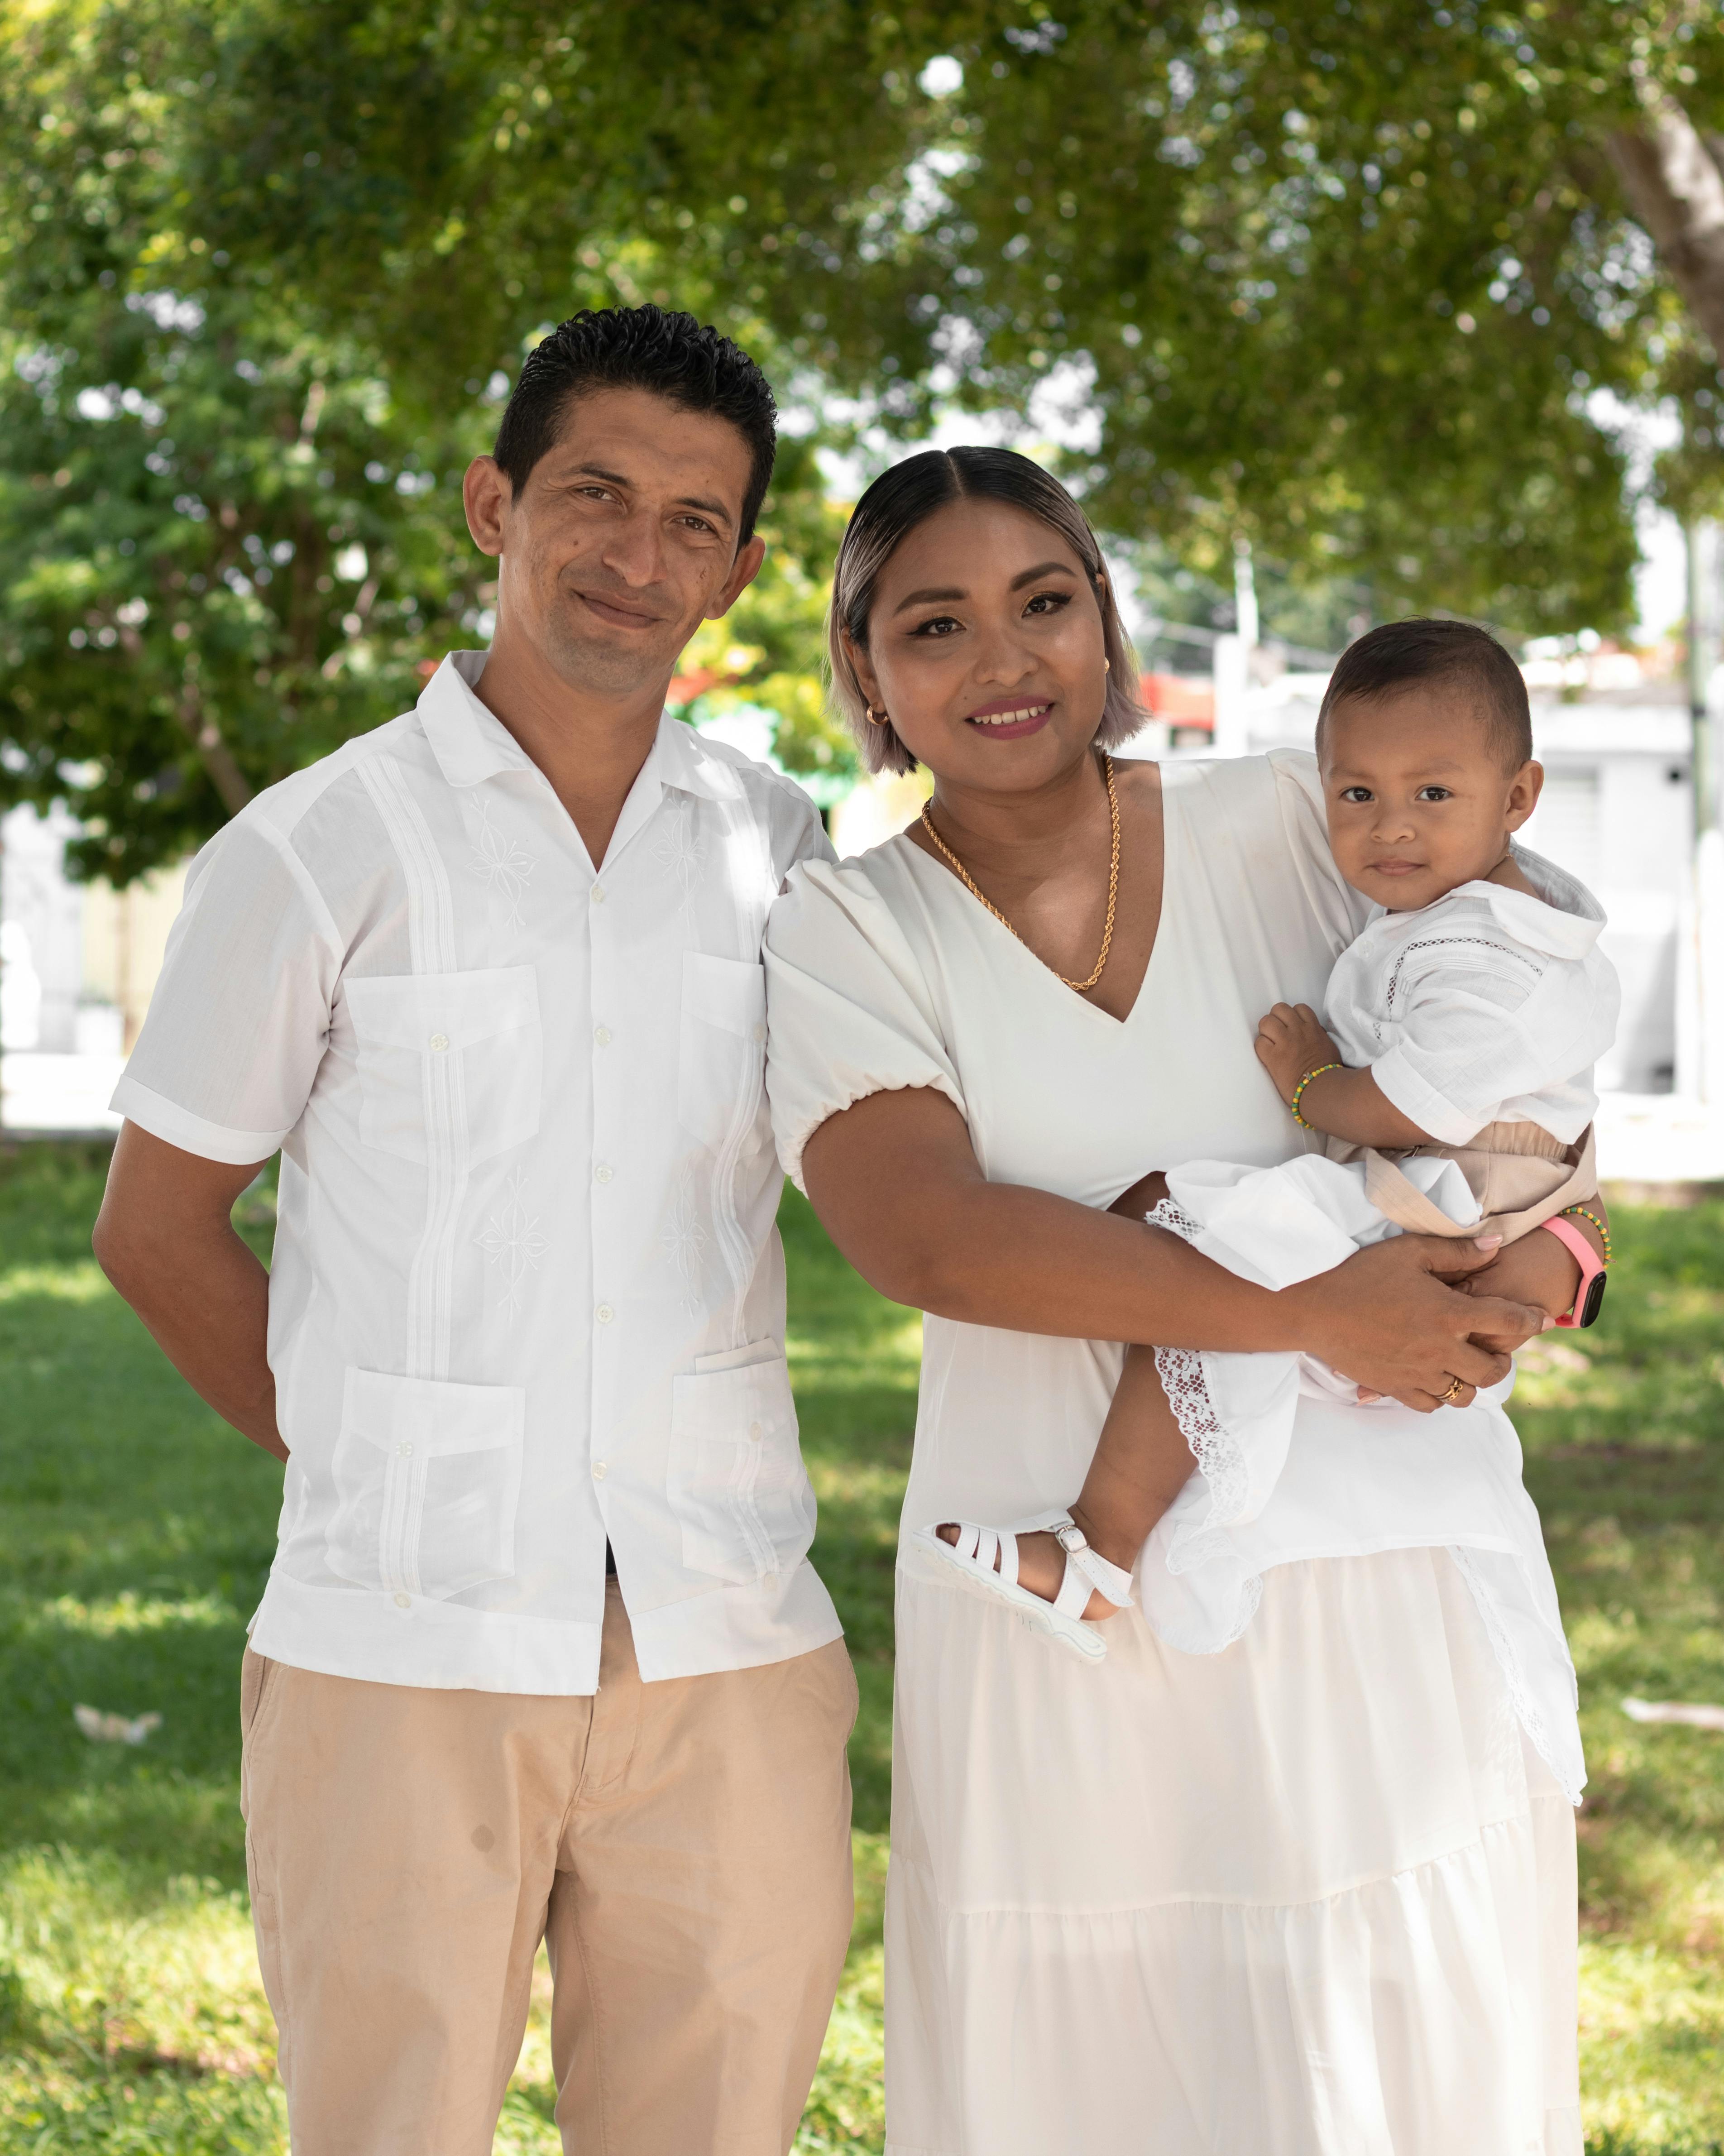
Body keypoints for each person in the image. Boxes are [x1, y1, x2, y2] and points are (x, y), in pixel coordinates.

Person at [762, 446, 1603, 2153]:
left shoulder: (1295, 820)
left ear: (1106, 621)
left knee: (1364, 2060)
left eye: (1045, 603)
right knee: (1094, 2074)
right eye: (937, 623)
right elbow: (931, 1240)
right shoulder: (848, 930)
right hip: (1057, 1590)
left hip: (1368, 1575)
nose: (1004, 660)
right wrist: (1314, 1312)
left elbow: (1521, 1045)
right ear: (866, 668)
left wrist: (1540, 1253)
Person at [91, 306, 857, 2156]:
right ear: (491, 505)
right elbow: (156, 1224)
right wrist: (368, 1451)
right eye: (593, 493)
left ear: (740, 570)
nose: (636, 554)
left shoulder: (789, 849)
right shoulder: (316, 847)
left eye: (694, 520)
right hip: (400, 1646)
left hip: (726, 1631)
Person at [918, 620, 1615, 1815]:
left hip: (1467, 1210)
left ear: (1521, 797)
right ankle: (1113, 1542)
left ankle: (1099, 1550)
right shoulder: (1477, 908)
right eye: (1356, 791)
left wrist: (1306, 1076)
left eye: (1431, 793)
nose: (1389, 825)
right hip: (1473, 1206)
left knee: (1211, 1262)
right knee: (1201, 1254)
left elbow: (1406, 1106)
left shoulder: (1496, 954)